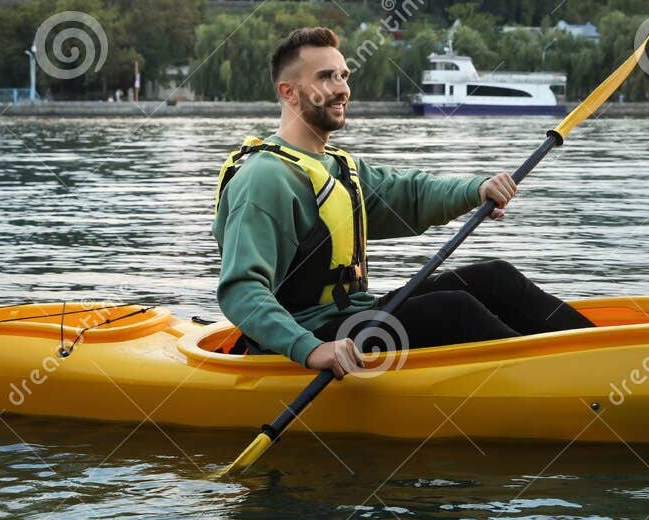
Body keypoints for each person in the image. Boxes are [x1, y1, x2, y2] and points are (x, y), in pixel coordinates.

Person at [214, 26, 593, 375]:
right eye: (326, 77)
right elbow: (242, 292)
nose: (342, 88)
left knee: (495, 277)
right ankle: (558, 383)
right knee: (455, 310)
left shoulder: (340, 166)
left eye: (344, 76)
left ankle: (597, 354)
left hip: (355, 318)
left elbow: (410, 194)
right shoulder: (264, 178)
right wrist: (311, 349)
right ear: (289, 92)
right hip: (308, 336)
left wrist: (477, 190)